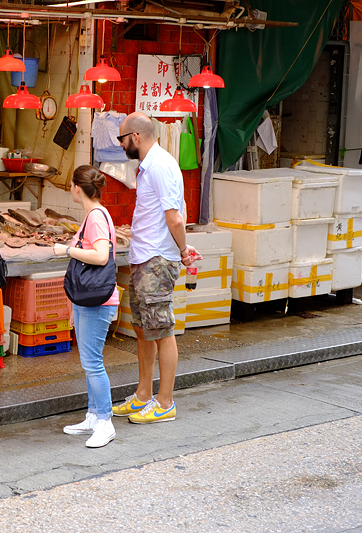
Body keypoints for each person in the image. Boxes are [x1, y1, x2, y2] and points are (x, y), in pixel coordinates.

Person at [112, 112, 199, 423]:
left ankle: (165, 402)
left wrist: (183, 251)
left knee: (161, 330)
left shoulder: (160, 166)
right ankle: (144, 395)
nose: (120, 145)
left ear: (135, 137)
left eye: (121, 139)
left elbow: (174, 217)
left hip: (157, 260)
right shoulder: (148, 166)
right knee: (143, 329)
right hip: (143, 258)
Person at [53, 166, 119, 448]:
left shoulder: (95, 218)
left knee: (93, 363)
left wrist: (66, 250)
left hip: (98, 300)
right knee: (89, 361)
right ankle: (94, 415)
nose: (70, 189)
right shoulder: (94, 215)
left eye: (70, 185)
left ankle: (105, 421)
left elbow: (101, 256)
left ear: (77, 188)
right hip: (87, 300)